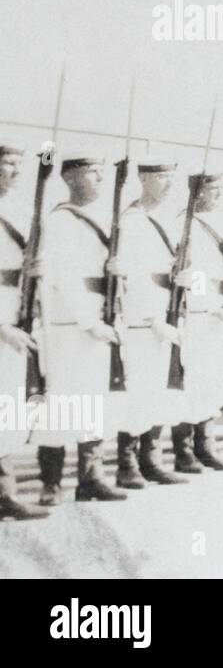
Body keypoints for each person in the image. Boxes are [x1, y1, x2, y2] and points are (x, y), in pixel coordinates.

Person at [33, 155, 128, 505]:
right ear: (71, 177)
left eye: (103, 173)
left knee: (94, 401)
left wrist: (119, 271)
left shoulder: (105, 219)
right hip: (69, 325)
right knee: (60, 403)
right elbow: (63, 277)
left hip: (98, 323)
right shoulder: (60, 220)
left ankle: (90, 478)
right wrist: (89, 322)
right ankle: (51, 482)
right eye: (93, 173)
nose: (101, 179)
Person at [114, 160, 187, 489]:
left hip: (169, 314)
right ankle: (126, 464)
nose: (168, 183)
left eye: (171, 176)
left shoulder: (171, 219)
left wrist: (189, 282)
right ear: (143, 178)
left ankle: (151, 459)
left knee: (159, 390)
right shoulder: (132, 221)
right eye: (161, 176)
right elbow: (130, 277)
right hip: (145, 320)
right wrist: (152, 319)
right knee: (138, 390)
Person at [176, 172, 223, 471]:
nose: (219, 195)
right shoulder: (186, 223)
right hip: (200, 313)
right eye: (214, 189)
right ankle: (185, 451)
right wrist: (212, 307)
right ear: (198, 193)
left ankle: (206, 446)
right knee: (195, 380)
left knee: (216, 380)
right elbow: (192, 272)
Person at [0, 144, 47, 519]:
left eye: (19, 165)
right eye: (7, 164)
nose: (15, 171)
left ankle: (4, 492)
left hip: (15, 321)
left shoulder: (18, 212)